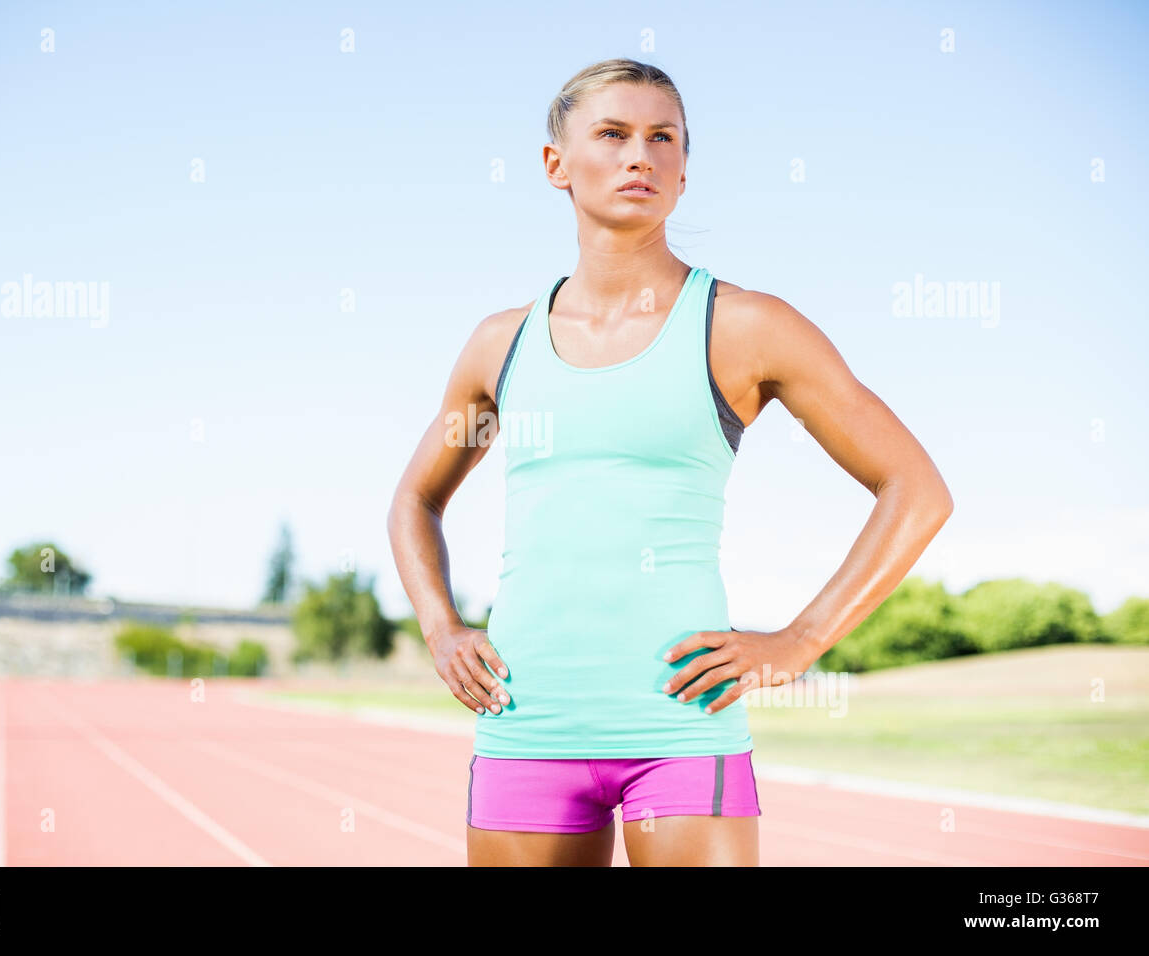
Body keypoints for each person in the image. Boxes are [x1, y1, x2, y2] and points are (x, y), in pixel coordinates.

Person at [386, 58, 953, 866]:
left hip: (682, 726)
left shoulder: (745, 326)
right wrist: (440, 629)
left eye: (663, 139)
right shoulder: (497, 344)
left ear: (684, 171)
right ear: (556, 164)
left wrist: (800, 640)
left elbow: (917, 489)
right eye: (612, 134)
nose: (639, 156)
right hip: (525, 720)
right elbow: (415, 500)